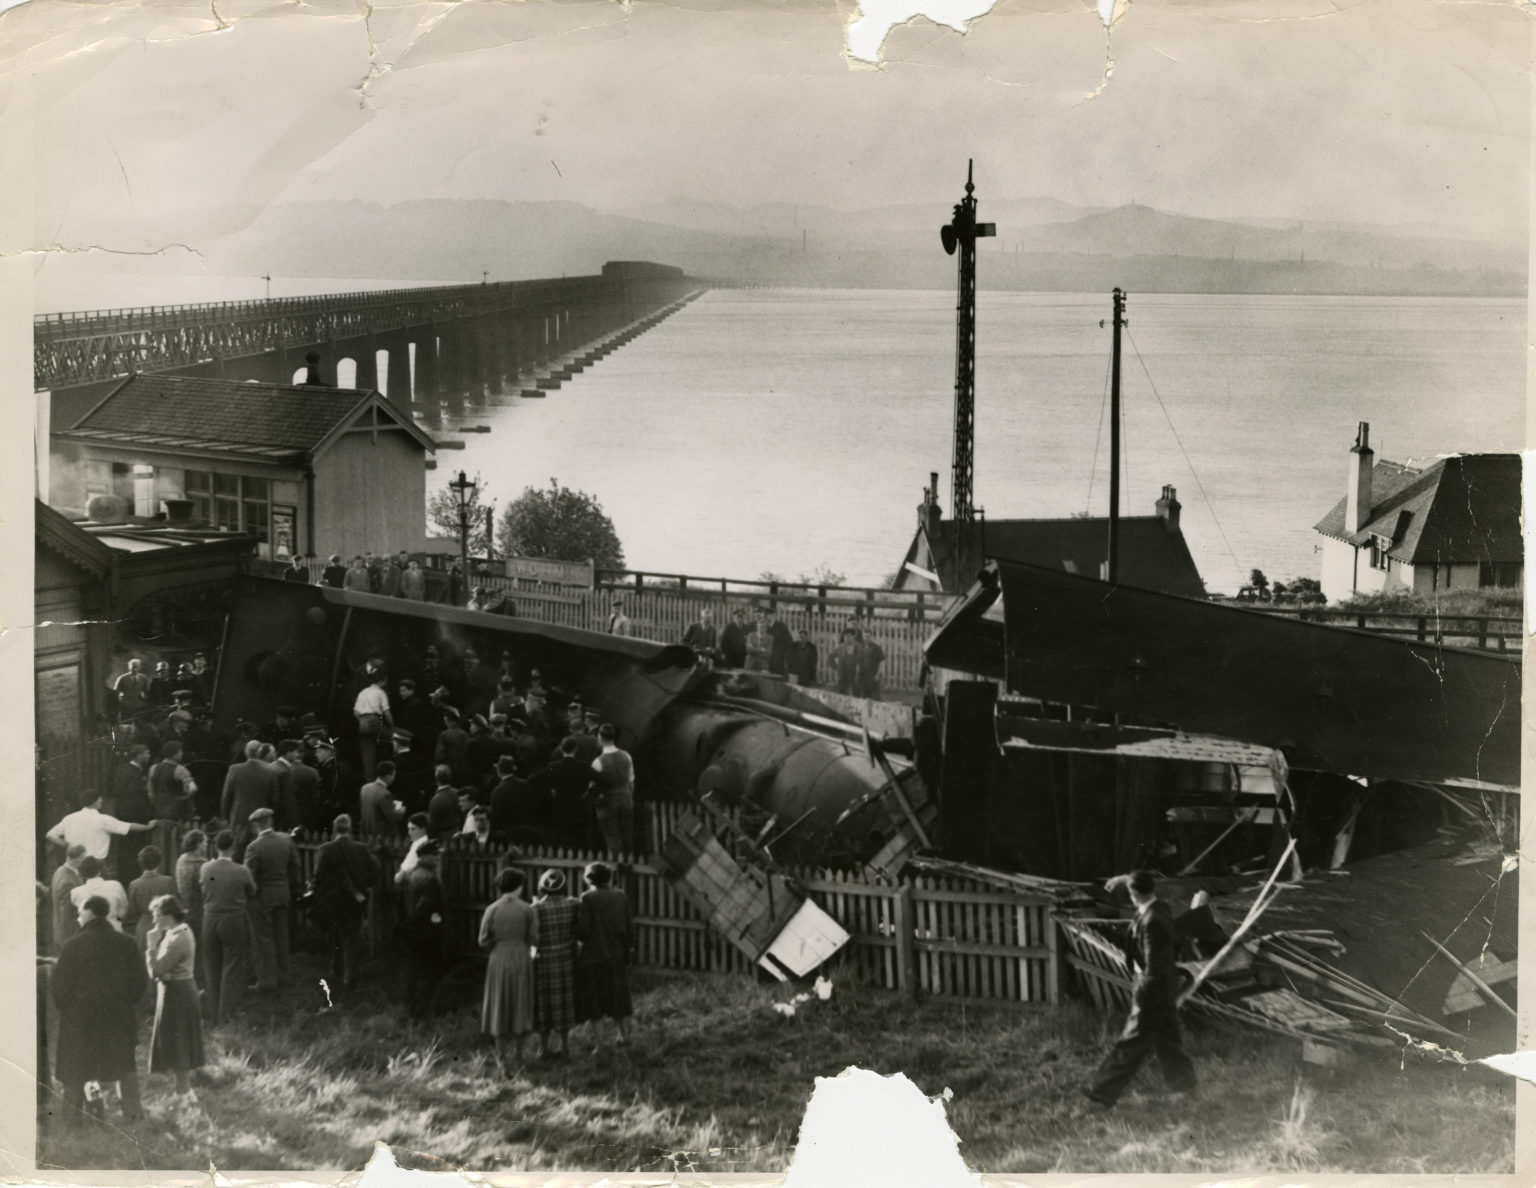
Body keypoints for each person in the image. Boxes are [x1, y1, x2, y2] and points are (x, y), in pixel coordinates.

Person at [1081, 870, 1197, 1107]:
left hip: (1152, 988)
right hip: (1164, 987)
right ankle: (1185, 1087)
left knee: (1132, 1042)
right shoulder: (1159, 908)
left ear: (1133, 894)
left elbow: (1154, 966)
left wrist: (1142, 992)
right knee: (1167, 1038)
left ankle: (1099, 1095)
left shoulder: (1152, 921)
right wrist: (1123, 879)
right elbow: (1138, 880)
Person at [51, 895, 148, 1126]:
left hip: (80, 1018)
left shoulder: (71, 946)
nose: (78, 917)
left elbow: (59, 986)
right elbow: (139, 982)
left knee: (80, 1066)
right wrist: (125, 1002)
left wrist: (68, 1008)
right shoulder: (126, 942)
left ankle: (76, 1118)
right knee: (124, 1065)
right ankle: (133, 1115)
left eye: (80, 912)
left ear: (90, 913)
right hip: (117, 1015)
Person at [310, 814, 381, 1001]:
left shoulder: (326, 849)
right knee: (351, 939)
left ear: (334, 830)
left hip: (333, 903)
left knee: (334, 937)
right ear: (350, 829)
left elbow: (318, 877)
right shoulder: (361, 849)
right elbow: (375, 871)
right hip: (354, 902)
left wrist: (317, 891)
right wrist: (363, 886)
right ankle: (349, 979)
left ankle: (335, 972)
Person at [144, 893, 205, 1102]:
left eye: (156, 915)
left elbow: (157, 971)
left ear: (169, 915)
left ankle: (184, 1093)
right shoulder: (174, 933)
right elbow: (161, 971)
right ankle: (183, 1091)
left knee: (180, 1044)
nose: (154, 920)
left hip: (178, 993)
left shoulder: (179, 938)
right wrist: (162, 972)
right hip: (173, 991)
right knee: (175, 1041)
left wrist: (151, 947)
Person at [479, 867, 539, 1073]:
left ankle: (501, 1056)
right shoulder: (528, 909)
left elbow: (483, 940)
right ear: (519, 886)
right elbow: (534, 939)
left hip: (499, 958)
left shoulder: (492, 909)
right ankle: (519, 1054)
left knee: (499, 1002)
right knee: (520, 1001)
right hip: (522, 956)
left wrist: (498, 944)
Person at [574, 861, 634, 1052]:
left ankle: (600, 1045)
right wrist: (629, 949)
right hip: (617, 954)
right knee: (618, 998)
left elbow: (583, 931)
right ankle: (623, 1037)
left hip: (595, 956)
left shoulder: (588, 898)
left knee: (596, 1002)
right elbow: (628, 926)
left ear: (588, 879)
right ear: (609, 878)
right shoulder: (621, 896)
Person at [199, 830, 256, 1025]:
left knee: (211, 965)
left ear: (216, 847)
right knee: (232, 965)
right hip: (233, 919)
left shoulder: (205, 868)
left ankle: (213, 1013)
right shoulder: (242, 870)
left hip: (209, 919)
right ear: (233, 847)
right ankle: (227, 1015)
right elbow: (252, 891)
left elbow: (202, 889)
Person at [243, 808, 299, 991]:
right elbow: (295, 867)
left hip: (262, 898)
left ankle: (267, 981)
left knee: (263, 939)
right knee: (282, 936)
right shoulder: (286, 839)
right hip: (282, 895)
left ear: (256, 825)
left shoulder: (254, 847)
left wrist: (253, 894)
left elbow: (248, 877)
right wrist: (287, 885)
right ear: (271, 822)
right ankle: (284, 976)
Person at [47, 787, 157, 879]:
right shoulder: (103, 819)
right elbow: (130, 827)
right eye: (100, 799)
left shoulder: (69, 818)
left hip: (76, 864)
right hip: (96, 865)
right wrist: (148, 827)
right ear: (94, 801)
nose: (101, 801)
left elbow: (51, 835)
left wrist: (67, 845)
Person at [532, 868, 579, 1058]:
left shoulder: (536, 908)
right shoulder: (573, 904)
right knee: (564, 999)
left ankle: (543, 1048)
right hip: (566, 956)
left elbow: (534, 936)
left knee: (545, 1001)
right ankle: (565, 1045)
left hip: (545, 958)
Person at [400, 840, 448, 1022]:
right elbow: (426, 907)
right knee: (431, 972)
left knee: (413, 970)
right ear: (425, 857)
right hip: (427, 933)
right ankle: (423, 1012)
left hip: (413, 931)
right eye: (435, 855)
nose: (437, 858)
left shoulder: (413, 874)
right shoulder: (429, 878)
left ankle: (410, 1008)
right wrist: (436, 922)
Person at [222, 738, 280, 860]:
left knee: (237, 853)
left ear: (246, 752)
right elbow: (275, 800)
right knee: (259, 854)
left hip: (239, 818)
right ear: (260, 752)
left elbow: (226, 796)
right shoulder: (270, 771)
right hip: (261, 820)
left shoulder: (235, 769)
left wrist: (226, 816)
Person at [587, 724, 635, 855]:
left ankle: (616, 865)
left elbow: (593, 787)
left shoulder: (598, 762)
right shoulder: (626, 756)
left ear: (600, 738)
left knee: (612, 838)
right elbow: (631, 781)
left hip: (608, 802)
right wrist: (628, 797)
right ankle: (629, 863)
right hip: (626, 799)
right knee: (627, 835)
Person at [123, 845, 177, 953]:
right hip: (164, 926)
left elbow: (132, 911)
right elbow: (175, 906)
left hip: (143, 927)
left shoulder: (134, 884)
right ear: (159, 861)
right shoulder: (168, 881)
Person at [173, 830, 206, 981]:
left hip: (184, 905)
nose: (206, 844)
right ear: (198, 844)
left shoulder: (181, 860)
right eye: (204, 841)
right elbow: (207, 887)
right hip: (200, 907)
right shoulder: (202, 865)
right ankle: (199, 975)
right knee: (200, 942)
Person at [70, 856, 129, 931]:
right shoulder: (115, 885)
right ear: (99, 871)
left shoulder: (76, 892)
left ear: (82, 873)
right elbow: (123, 909)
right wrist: (116, 920)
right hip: (113, 928)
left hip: (89, 932)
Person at [353, 670, 392, 782]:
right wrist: (392, 727)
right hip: (375, 721)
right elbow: (387, 712)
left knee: (367, 757)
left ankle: (370, 783)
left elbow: (355, 712)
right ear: (383, 680)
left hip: (363, 724)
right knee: (396, 738)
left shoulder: (363, 692)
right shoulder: (380, 692)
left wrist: (363, 721)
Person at [148, 739, 198, 826]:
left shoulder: (153, 768)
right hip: (176, 812)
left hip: (157, 810)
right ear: (173, 754)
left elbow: (150, 791)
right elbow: (192, 789)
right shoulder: (180, 770)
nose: (181, 754)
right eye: (179, 752)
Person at [50, 844, 87, 954]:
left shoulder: (59, 871)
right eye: (83, 858)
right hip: (69, 933)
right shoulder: (68, 880)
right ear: (80, 858)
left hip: (61, 930)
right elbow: (67, 913)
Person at [359, 761, 406, 836]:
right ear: (388, 776)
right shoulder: (385, 794)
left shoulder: (364, 788)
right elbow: (392, 818)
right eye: (393, 775)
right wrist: (401, 810)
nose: (394, 778)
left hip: (364, 833)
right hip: (378, 836)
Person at [113, 658, 153, 723]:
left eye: (136, 667)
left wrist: (144, 700)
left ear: (139, 667)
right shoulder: (122, 678)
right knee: (126, 723)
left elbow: (147, 692)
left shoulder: (143, 678)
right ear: (129, 667)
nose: (134, 669)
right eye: (132, 667)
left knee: (139, 724)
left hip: (139, 706)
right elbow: (115, 693)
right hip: (125, 706)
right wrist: (118, 704)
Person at [855, 626, 886, 701]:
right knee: (863, 699)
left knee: (876, 699)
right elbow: (858, 663)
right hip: (863, 678)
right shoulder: (861, 648)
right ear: (862, 637)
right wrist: (857, 675)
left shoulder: (876, 648)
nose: (866, 638)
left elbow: (881, 662)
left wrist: (878, 675)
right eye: (864, 636)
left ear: (871, 636)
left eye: (868, 636)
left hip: (873, 678)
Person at [764, 609, 794, 677]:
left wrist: (786, 656)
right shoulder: (766, 627)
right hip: (768, 658)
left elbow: (789, 641)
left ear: (774, 615)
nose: (768, 617)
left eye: (770, 615)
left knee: (778, 677)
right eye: (767, 615)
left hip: (779, 658)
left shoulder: (781, 626)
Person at [831, 628, 861, 695]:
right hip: (843, 675)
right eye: (845, 636)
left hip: (855, 674)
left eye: (849, 636)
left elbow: (861, 660)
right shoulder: (840, 647)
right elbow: (831, 657)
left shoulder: (858, 646)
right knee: (842, 694)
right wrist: (836, 668)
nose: (847, 638)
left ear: (853, 637)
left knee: (856, 694)